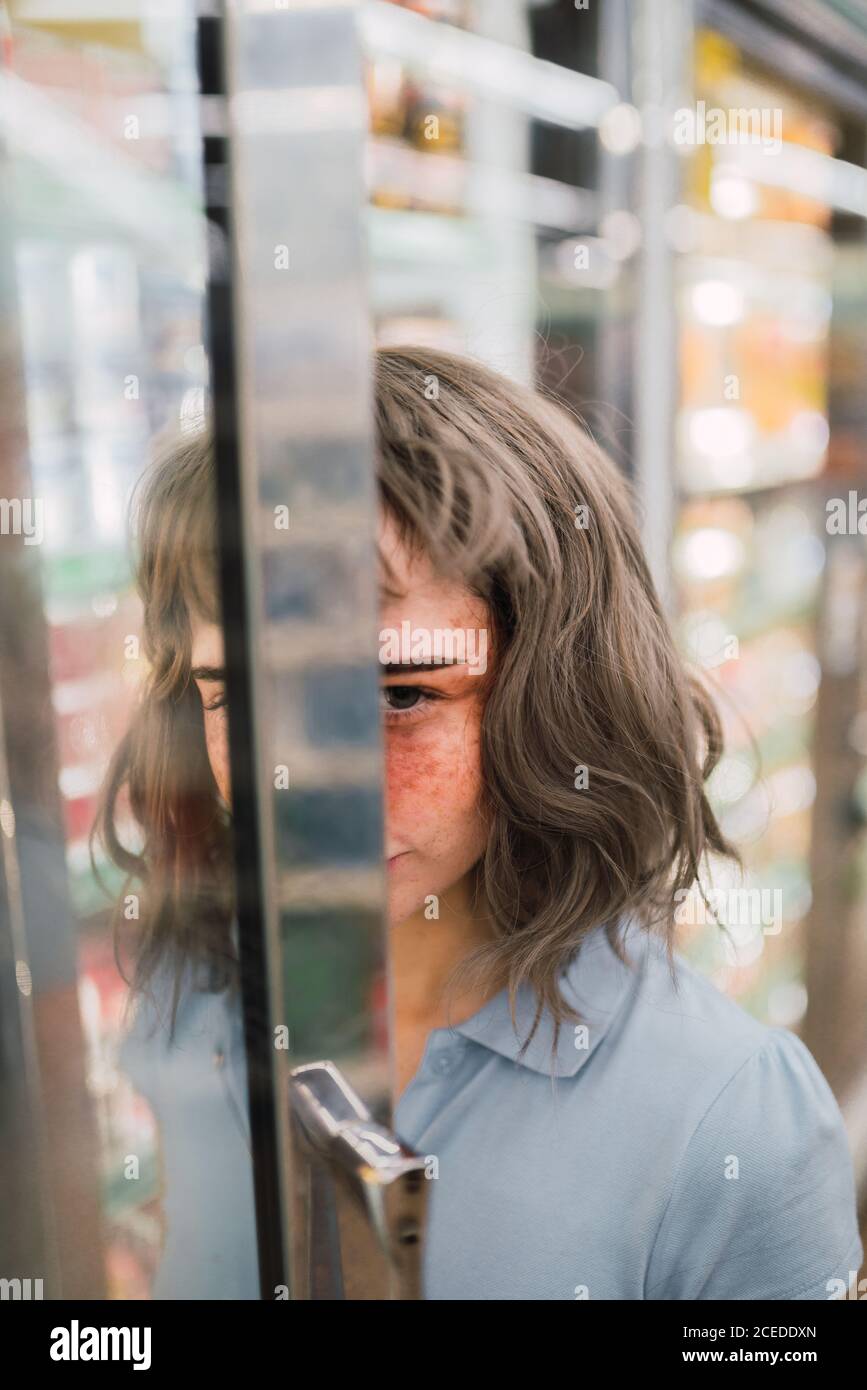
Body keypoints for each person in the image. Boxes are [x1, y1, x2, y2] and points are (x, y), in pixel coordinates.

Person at [98, 344, 863, 1300]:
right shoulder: (194, 991)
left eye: (401, 696)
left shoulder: (732, 1119)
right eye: (237, 697)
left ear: (557, 697)